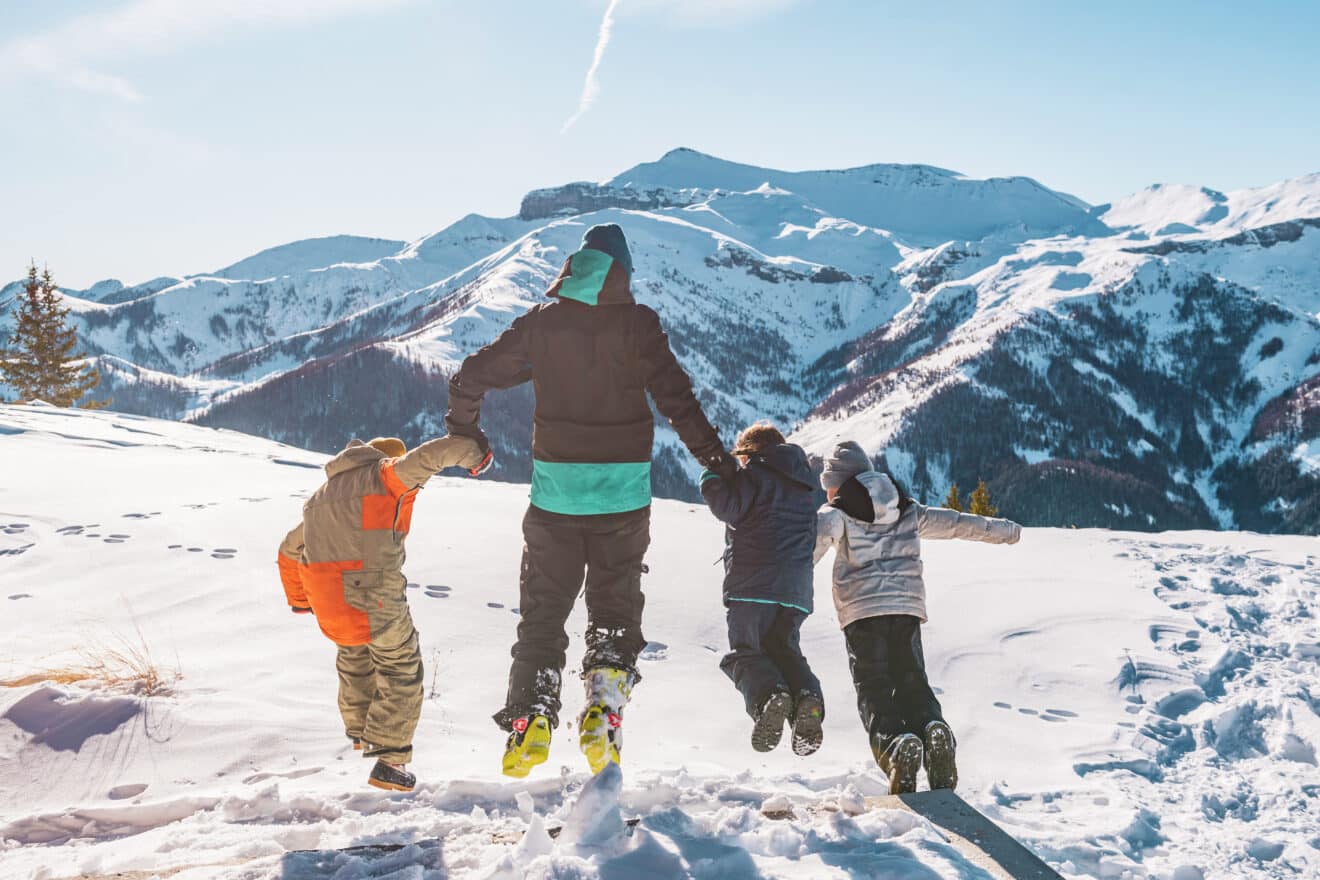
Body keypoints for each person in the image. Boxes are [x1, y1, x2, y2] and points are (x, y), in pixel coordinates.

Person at [444, 223, 734, 778]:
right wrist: (722, 466)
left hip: (555, 498)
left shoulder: (543, 326)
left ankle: (531, 717)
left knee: (543, 612)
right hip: (623, 501)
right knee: (614, 609)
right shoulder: (638, 326)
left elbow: (470, 377)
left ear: (573, 269)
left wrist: (468, 435)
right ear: (623, 275)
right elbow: (680, 402)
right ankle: (603, 708)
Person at [277, 434, 486, 792]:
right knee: (399, 666)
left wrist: (301, 600)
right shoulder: (385, 476)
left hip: (328, 601)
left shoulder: (318, 501)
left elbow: (288, 549)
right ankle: (390, 760)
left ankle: (361, 734)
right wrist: (476, 455)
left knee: (355, 657)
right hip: (371, 595)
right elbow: (431, 456)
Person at [814, 441, 1021, 794]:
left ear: (838, 481)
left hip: (862, 613)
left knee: (874, 688)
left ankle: (896, 746)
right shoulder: (906, 508)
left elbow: (808, 549)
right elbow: (957, 524)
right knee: (912, 680)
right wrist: (1006, 531)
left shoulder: (836, 515)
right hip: (906, 609)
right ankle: (932, 729)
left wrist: (784, 588)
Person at [701, 423, 825, 756]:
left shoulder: (754, 475)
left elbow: (726, 507)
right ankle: (807, 698)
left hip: (753, 584)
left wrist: (711, 476)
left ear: (750, 453)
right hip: (796, 590)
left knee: (747, 653)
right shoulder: (805, 487)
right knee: (785, 649)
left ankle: (770, 697)